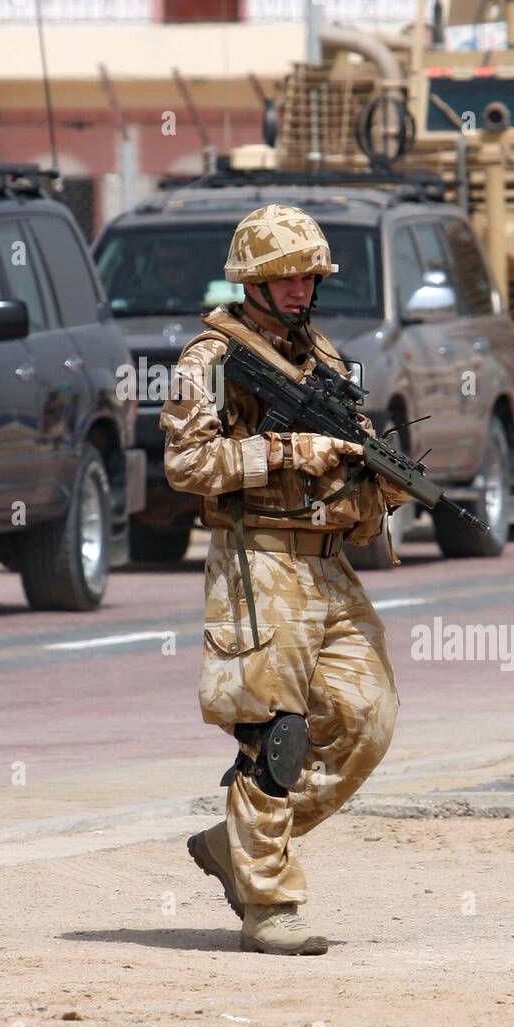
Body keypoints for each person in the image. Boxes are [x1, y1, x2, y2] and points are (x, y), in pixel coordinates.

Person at [160, 203, 411, 955]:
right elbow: (187, 465)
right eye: (285, 277)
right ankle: (269, 903)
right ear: (252, 284)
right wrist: (286, 452)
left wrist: (376, 482)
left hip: (329, 564)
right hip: (260, 559)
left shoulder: (320, 356)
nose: (300, 288)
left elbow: (346, 456)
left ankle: (232, 842)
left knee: (368, 718)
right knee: (279, 733)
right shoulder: (209, 360)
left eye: (309, 275)